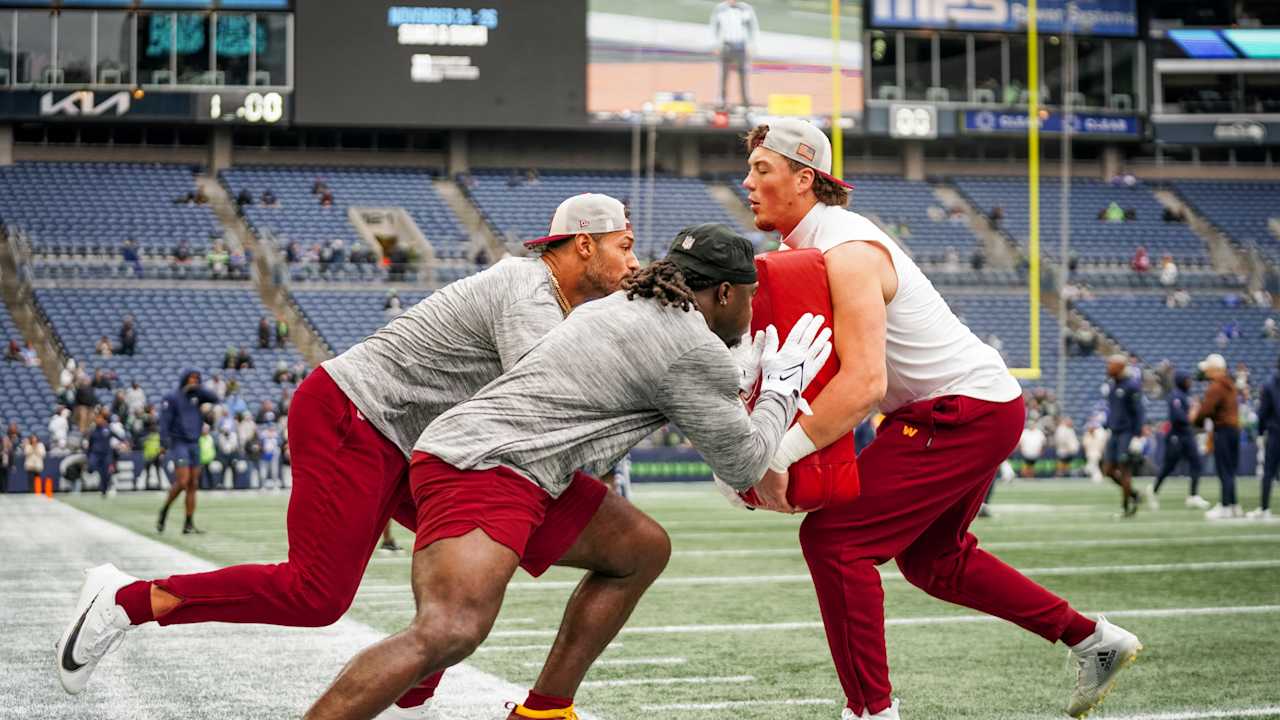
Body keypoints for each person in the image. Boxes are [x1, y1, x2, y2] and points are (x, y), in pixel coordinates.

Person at [55, 194, 650, 720]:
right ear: (583, 243)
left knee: (505, 533)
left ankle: (439, 663)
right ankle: (124, 602)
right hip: (356, 417)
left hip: (421, 442)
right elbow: (549, 405)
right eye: (625, 246)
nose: (634, 262)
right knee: (315, 595)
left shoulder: (558, 301)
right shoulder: (529, 291)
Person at [305, 224, 831, 720]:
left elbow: (671, 374)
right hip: (490, 467)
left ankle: (545, 708)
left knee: (639, 548)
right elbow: (743, 461)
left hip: (510, 459)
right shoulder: (690, 346)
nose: (755, 305)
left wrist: (737, 375)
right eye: (750, 293)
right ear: (723, 293)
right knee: (449, 630)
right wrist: (782, 393)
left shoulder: (629, 302)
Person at [738, 118, 1140, 720]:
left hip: (960, 410)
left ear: (803, 178)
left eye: (760, 170)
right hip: (971, 404)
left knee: (835, 541)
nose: (746, 181)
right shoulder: (804, 250)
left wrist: (775, 454)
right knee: (934, 562)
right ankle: (1092, 640)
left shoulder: (846, 250)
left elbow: (865, 383)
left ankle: (872, 712)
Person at [156, 370, 221, 534]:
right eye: (191, 378)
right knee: (183, 481)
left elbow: (215, 398)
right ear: (184, 379)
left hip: (194, 443)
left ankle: (188, 523)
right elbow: (164, 422)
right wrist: (163, 443)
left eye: (197, 379)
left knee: (193, 484)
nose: (194, 381)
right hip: (179, 443)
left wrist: (198, 389)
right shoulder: (172, 397)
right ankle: (164, 510)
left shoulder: (197, 396)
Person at [1148, 371, 1209, 511]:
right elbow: (1179, 417)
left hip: (1187, 434)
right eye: (1187, 380)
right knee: (1168, 466)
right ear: (1181, 380)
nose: (1190, 383)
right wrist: (1193, 412)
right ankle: (1154, 490)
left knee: (1197, 463)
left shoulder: (1184, 396)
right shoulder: (1175, 396)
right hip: (1176, 436)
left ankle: (1193, 495)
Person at [1195, 353, 1242, 520]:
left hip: (1223, 430)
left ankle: (1225, 506)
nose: (1205, 372)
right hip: (1234, 430)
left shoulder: (1216, 387)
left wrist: (1196, 421)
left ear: (1214, 369)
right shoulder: (1230, 384)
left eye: (1208, 368)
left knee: (1224, 470)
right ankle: (1234, 505)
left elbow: (1206, 410)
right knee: (1230, 470)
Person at [1102, 355, 1144, 516]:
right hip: (1114, 432)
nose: (1108, 368)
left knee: (1124, 469)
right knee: (1109, 470)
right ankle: (1134, 494)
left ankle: (1126, 507)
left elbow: (1139, 411)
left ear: (1120, 367)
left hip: (1126, 433)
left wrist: (1137, 434)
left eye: (1111, 365)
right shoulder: (1113, 386)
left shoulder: (1131, 386)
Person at [710, 0, 758, 111]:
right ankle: (721, 100)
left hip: (741, 46)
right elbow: (714, 27)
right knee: (723, 75)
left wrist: (751, 45)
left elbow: (752, 28)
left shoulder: (746, 9)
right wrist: (716, 45)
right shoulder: (720, 9)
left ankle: (745, 101)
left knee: (743, 75)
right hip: (726, 45)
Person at [1251, 357, 1280, 520]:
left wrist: (1260, 432)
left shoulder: (1269, 384)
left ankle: (1264, 508)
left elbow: (1263, 413)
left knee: (1268, 472)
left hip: (1275, 433)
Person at [87, 414, 114, 496]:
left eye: (100, 419)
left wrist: (124, 442)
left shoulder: (107, 429)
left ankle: (104, 490)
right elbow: (90, 444)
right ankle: (92, 472)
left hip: (105, 455)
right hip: (95, 454)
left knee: (105, 474)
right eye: (97, 419)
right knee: (91, 466)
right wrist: (88, 454)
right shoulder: (93, 431)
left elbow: (117, 436)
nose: (98, 420)